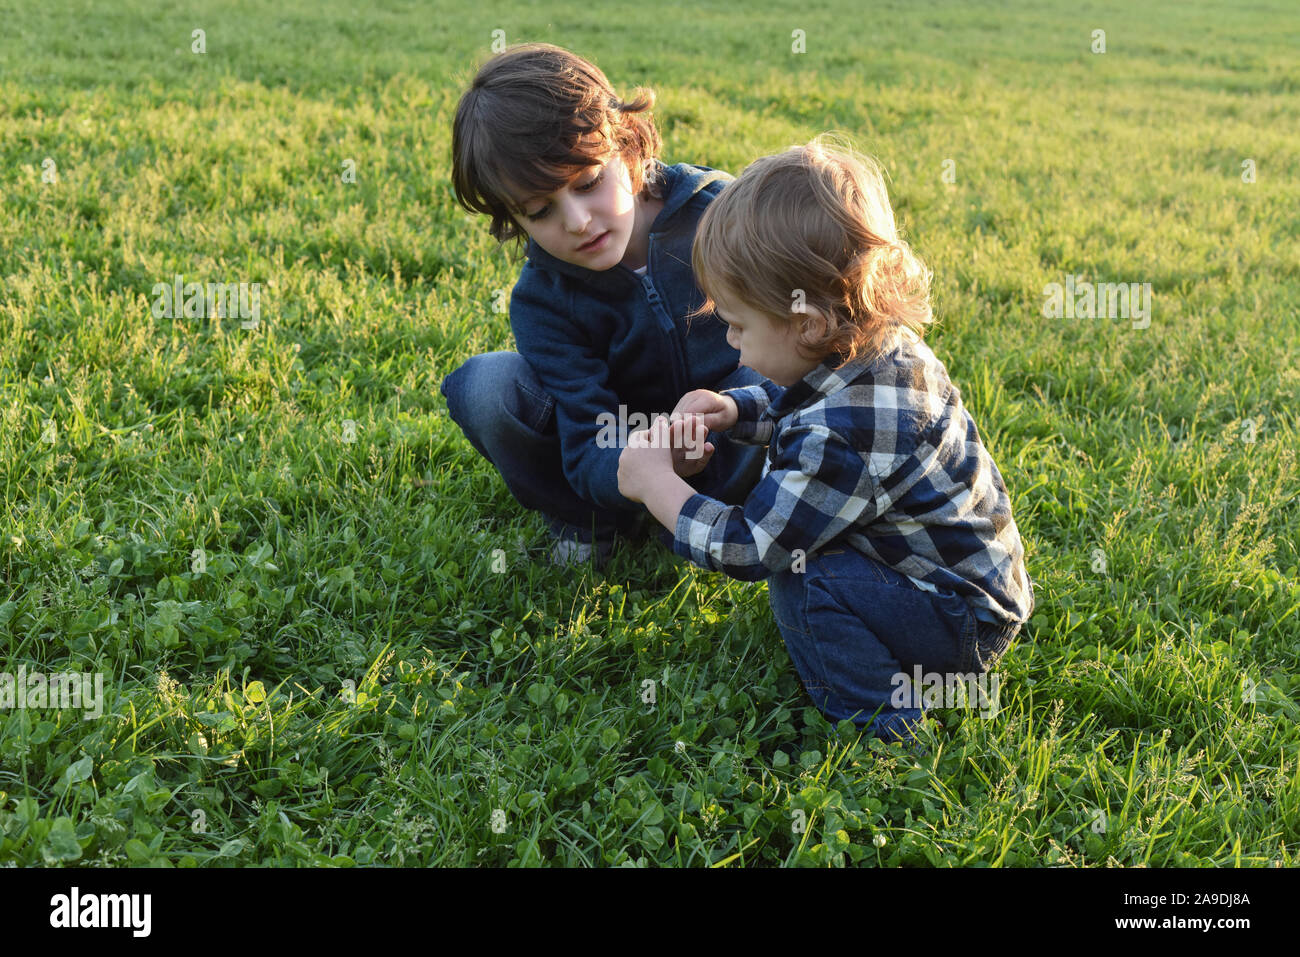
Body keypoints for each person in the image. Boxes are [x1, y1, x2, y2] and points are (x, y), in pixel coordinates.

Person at [616, 135, 1036, 743]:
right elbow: (805, 400)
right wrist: (732, 409)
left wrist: (659, 488)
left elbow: (751, 546)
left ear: (808, 324)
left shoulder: (842, 436)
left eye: (736, 326)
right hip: (970, 592)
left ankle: (881, 723)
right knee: (810, 557)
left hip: (956, 625)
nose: (730, 344)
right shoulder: (875, 346)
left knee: (803, 572)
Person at [441, 42, 778, 565]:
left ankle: (707, 517)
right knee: (486, 386)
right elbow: (584, 437)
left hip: (730, 430)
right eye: (539, 211)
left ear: (630, 145)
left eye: (589, 182)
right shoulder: (542, 300)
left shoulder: (723, 214)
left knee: (762, 384)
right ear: (513, 219)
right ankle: (596, 522)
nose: (576, 221)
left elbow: (809, 339)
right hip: (617, 445)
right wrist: (645, 464)